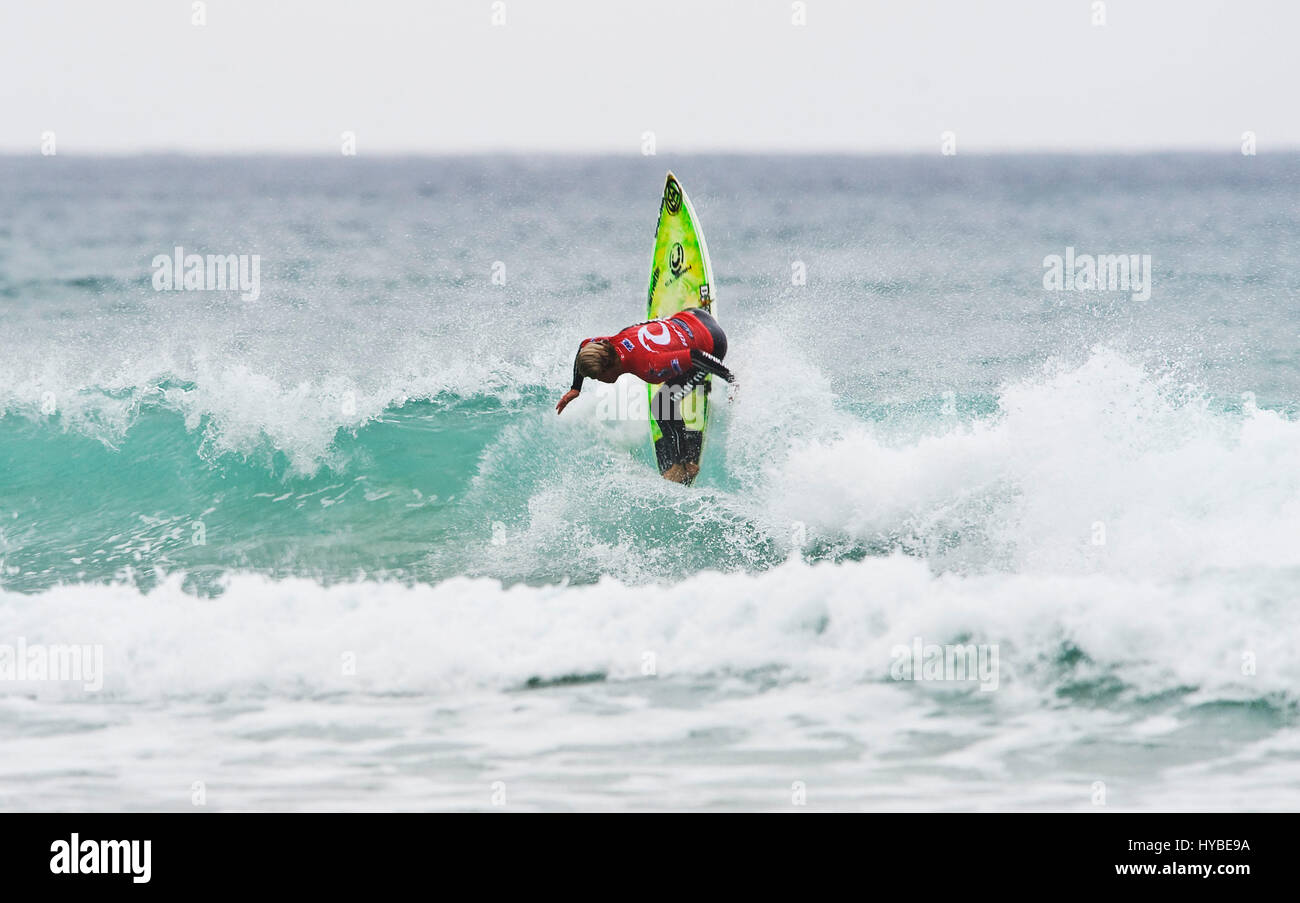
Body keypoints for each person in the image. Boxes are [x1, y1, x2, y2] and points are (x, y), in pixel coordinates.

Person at [555, 307, 735, 482]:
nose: (597, 381)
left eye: (596, 377)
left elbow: (697, 356)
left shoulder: (650, 365)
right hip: (693, 314)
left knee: (662, 405)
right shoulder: (609, 344)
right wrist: (575, 388)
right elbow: (584, 344)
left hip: (713, 344)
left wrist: (732, 380)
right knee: (664, 397)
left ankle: (685, 465)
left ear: (608, 369)